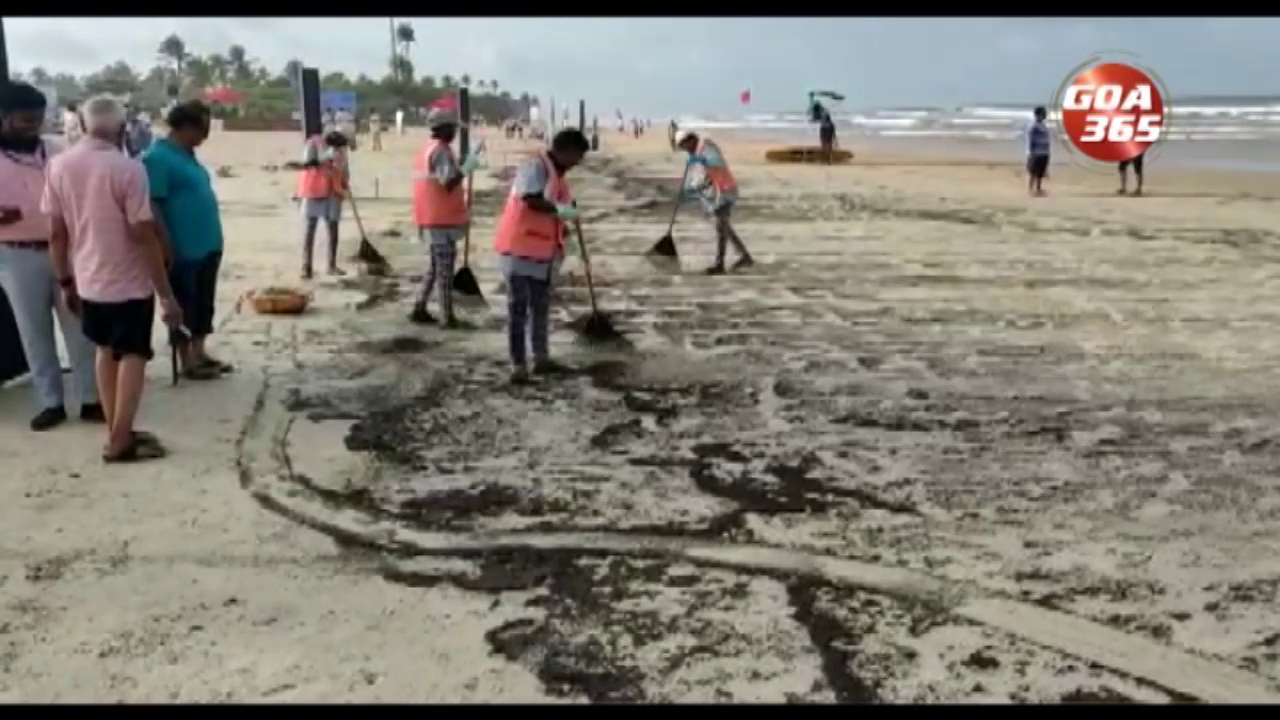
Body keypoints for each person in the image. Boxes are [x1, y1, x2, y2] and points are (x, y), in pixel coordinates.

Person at [43, 95, 182, 462]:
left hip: (88, 279)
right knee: (133, 353)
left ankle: (115, 429)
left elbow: (56, 234)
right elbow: (142, 233)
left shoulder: (58, 166)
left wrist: (65, 281)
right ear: (122, 129)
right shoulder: (128, 169)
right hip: (129, 281)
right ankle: (121, 439)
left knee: (105, 350)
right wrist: (165, 294)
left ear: (84, 126)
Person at [0, 82, 102, 431]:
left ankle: (91, 399)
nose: (33, 126)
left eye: (38, 119)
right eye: (25, 120)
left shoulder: (59, 151)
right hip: (16, 256)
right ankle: (51, 403)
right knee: (34, 331)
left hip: (67, 251)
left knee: (79, 326)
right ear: (4, 117)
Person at [142, 100, 230, 381]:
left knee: (204, 301)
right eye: (202, 128)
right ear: (186, 127)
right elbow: (153, 204)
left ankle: (200, 351)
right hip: (182, 245)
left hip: (207, 242)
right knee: (184, 301)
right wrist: (165, 241)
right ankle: (186, 359)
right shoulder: (157, 158)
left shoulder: (188, 155)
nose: (205, 135)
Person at [494, 128, 589, 384]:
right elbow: (531, 199)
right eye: (577, 156)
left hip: (543, 254)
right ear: (565, 150)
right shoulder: (535, 167)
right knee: (518, 309)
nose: (577, 163)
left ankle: (541, 358)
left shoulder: (559, 178)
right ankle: (518, 365)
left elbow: (558, 216)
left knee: (540, 309)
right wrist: (560, 210)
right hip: (518, 249)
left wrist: (566, 226)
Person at [409, 108, 480, 328]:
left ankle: (420, 307)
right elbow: (448, 182)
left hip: (430, 217)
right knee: (445, 271)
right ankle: (447, 317)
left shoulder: (428, 150)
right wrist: (466, 169)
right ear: (442, 129)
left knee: (435, 267)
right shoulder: (440, 151)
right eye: (452, 128)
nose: (455, 132)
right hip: (440, 219)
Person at [673, 129, 755, 274]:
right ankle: (744, 256)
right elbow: (701, 176)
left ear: (690, 140)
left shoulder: (707, 147)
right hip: (716, 192)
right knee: (724, 227)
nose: (686, 150)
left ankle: (720, 264)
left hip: (725, 189)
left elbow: (716, 162)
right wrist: (690, 188)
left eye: (685, 146)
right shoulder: (697, 152)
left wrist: (701, 161)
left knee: (721, 226)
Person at [296, 131, 350, 279]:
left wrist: (345, 183)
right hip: (314, 189)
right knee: (310, 228)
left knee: (333, 228)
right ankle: (306, 267)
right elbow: (306, 164)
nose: (340, 151)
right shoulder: (313, 143)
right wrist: (325, 157)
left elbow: (344, 168)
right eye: (338, 148)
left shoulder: (341, 150)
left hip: (333, 191)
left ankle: (331, 265)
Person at [1025, 106, 1051, 197]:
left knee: (1040, 172)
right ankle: (1030, 189)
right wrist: (1031, 152)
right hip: (1036, 152)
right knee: (1033, 172)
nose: (1045, 115)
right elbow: (1030, 139)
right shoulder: (1033, 125)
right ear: (1038, 114)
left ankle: (1038, 188)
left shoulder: (1044, 125)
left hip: (1044, 152)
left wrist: (1048, 150)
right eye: (1043, 113)